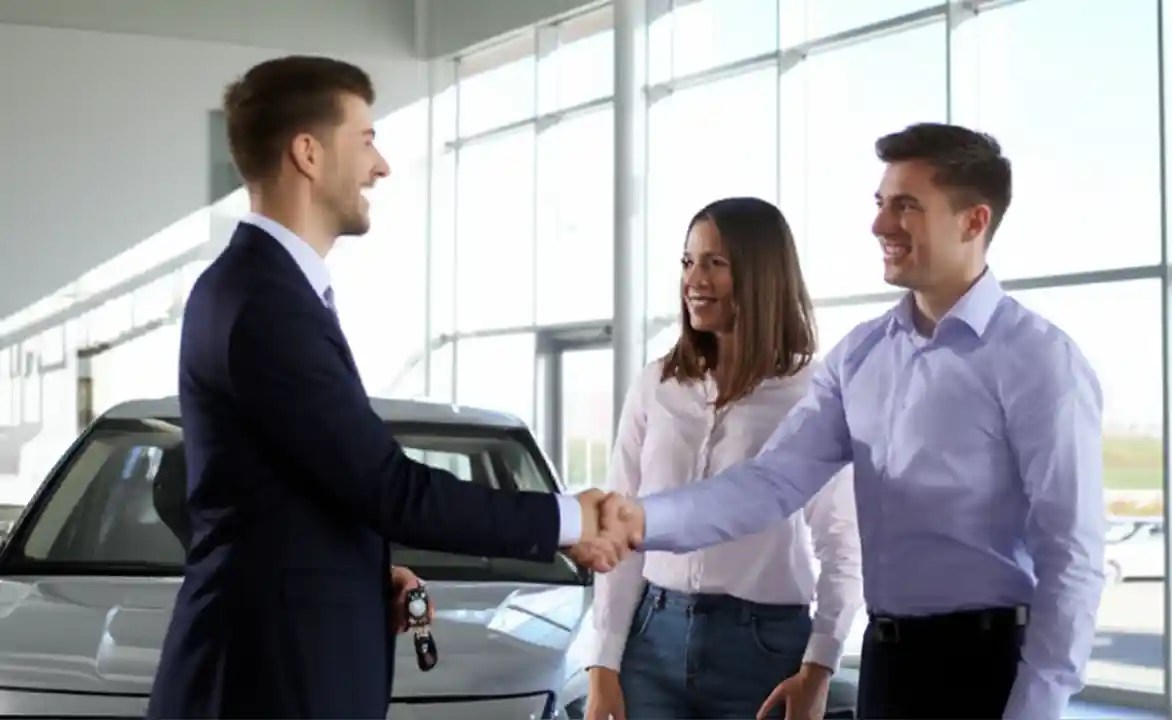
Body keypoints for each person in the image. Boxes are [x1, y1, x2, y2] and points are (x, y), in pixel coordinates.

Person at [146, 55, 621, 720]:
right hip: (267, 680)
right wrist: (567, 519)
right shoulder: (265, 304)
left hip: (279, 659)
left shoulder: (256, 288)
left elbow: (293, 489)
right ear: (308, 154)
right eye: (365, 140)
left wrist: (361, 576)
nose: (382, 166)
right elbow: (389, 488)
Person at [586, 123, 1107, 720]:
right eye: (881, 204)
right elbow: (771, 482)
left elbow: (1071, 553)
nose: (880, 225)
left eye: (906, 206)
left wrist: (1037, 706)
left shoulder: (1039, 361)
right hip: (888, 662)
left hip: (987, 666)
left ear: (973, 222)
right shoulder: (861, 356)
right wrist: (645, 518)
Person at [584, 198, 863, 720]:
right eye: (688, 261)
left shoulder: (812, 393)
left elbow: (842, 545)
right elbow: (617, 531)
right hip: (652, 638)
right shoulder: (656, 384)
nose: (695, 279)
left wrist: (818, 669)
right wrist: (603, 665)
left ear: (760, 274)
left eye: (716, 262)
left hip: (765, 648)